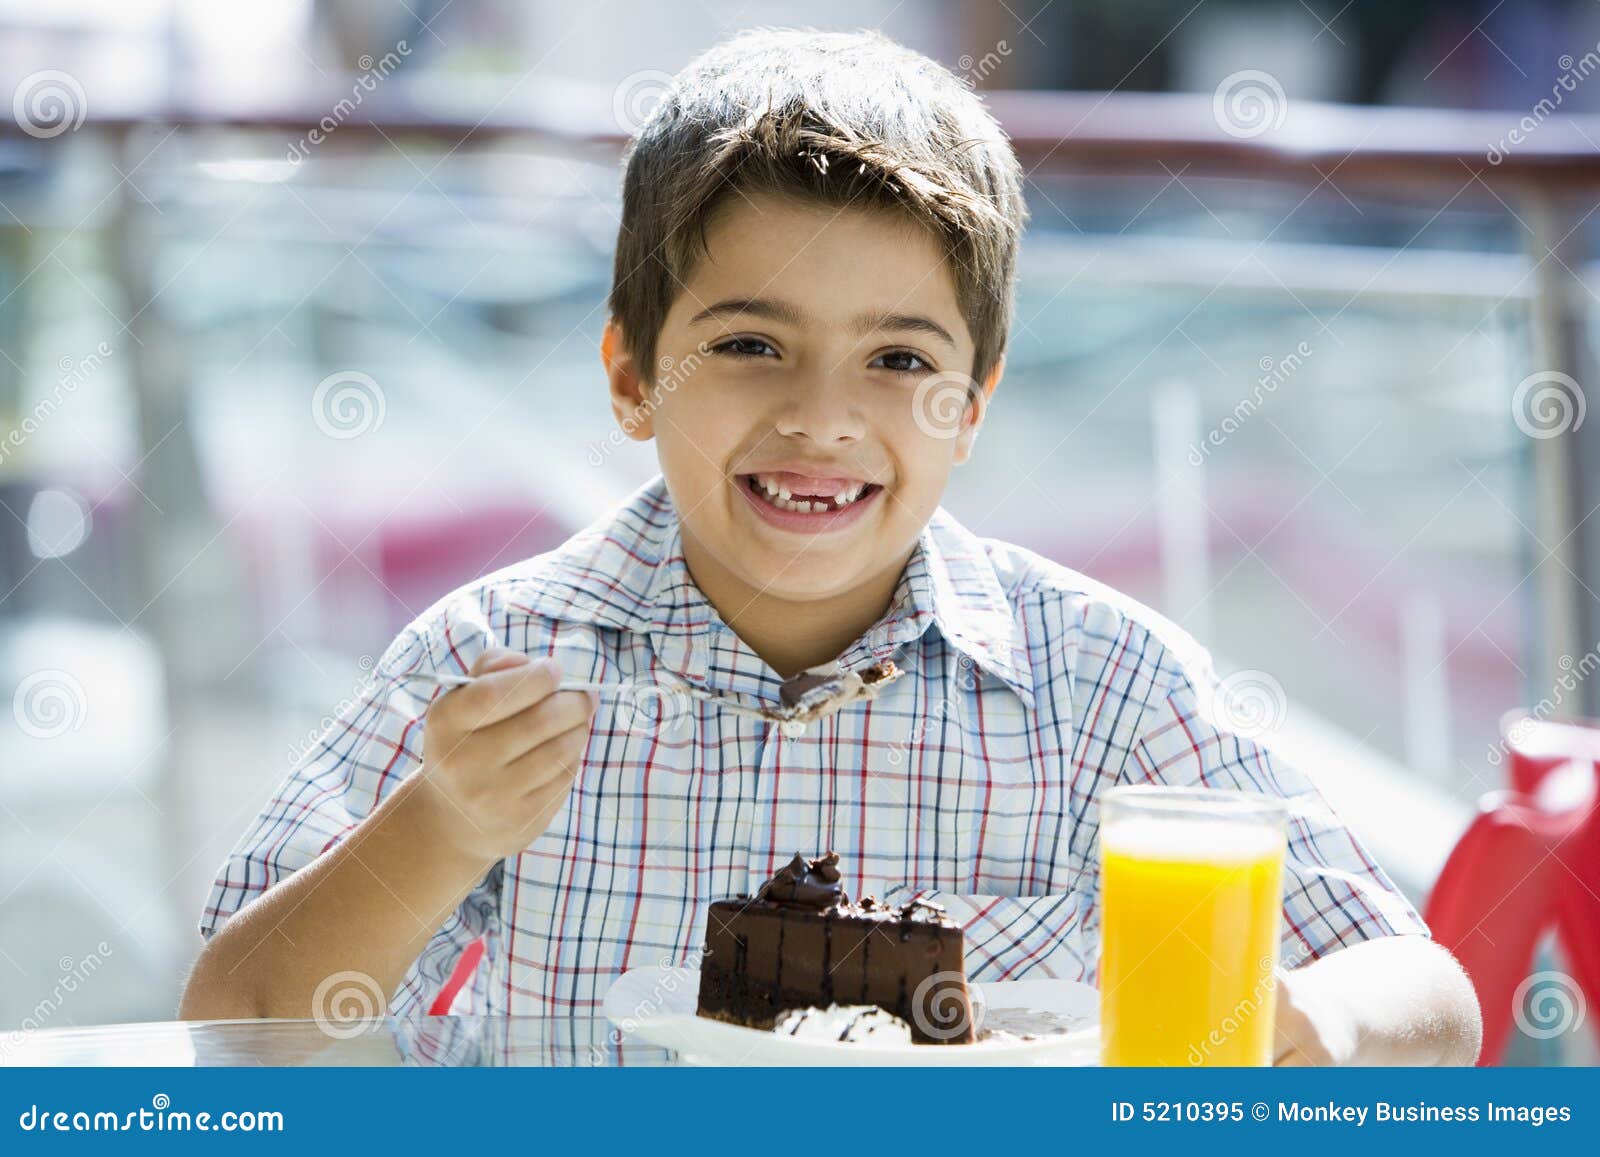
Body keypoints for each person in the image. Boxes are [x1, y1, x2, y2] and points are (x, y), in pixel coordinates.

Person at [180, 28, 1481, 1065]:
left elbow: (1426, 989)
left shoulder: (1104, 688)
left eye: (899, 360)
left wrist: (1330, 1021)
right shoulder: (492, 664)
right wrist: (442, 825)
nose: (822, 417)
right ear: (631, 375)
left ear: (969, 405)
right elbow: (237, 1016)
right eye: (750, 344)